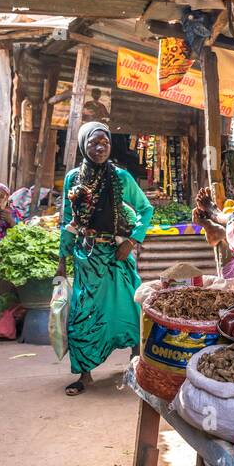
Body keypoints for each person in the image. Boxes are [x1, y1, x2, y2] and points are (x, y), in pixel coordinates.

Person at [57, 121, 153, 396]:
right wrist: (61, 259)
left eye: (105, 143)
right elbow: (67, 220)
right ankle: (84, 374)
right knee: (82, 314)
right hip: (87, 258)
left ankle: (138, 368)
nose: (100, 148)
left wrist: (132, 241)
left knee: (130, 310)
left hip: (117, 256)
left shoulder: (121, 178)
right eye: (93, 143)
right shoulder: (73, 178)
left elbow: (145, 210)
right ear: (83, 145)